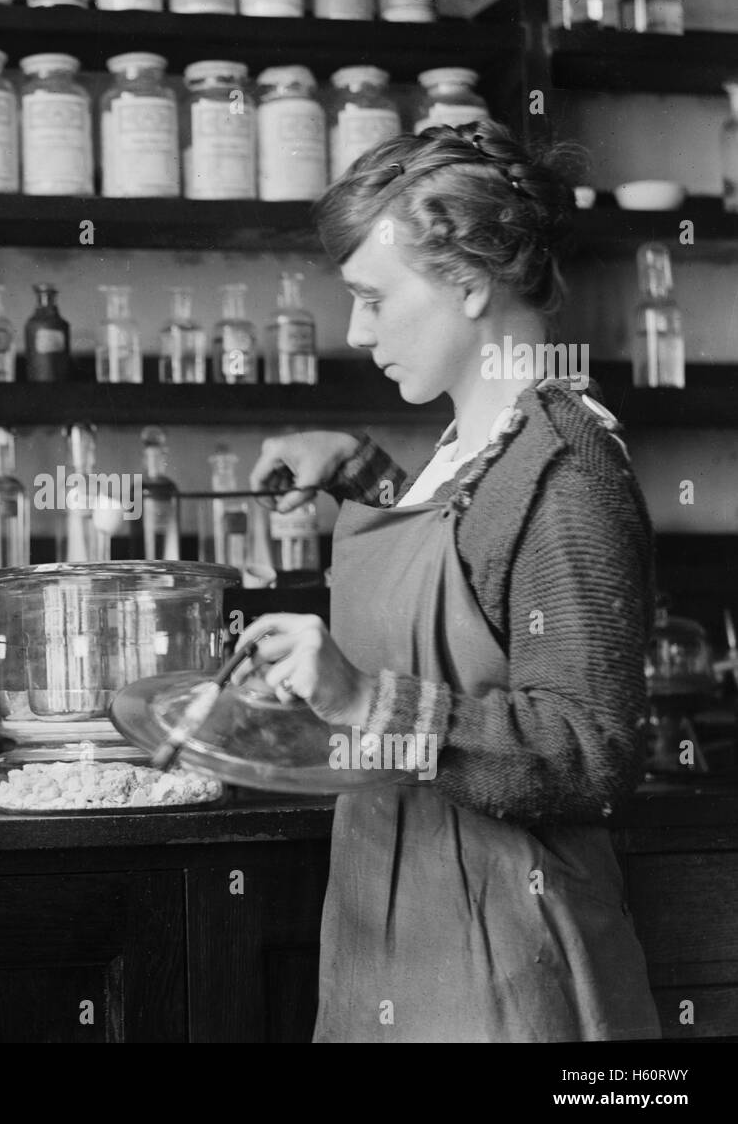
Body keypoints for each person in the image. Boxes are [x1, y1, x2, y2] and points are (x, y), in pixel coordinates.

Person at [241, 120, 662, 1042]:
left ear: (469, 284)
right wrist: (358, 471)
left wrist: (360, 699)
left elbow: (591, 754)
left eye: (373, 298)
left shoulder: (565, 468)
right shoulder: (475, 443)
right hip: (393, 934)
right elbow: (465, 563)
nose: (356, 331)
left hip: (509, 962)